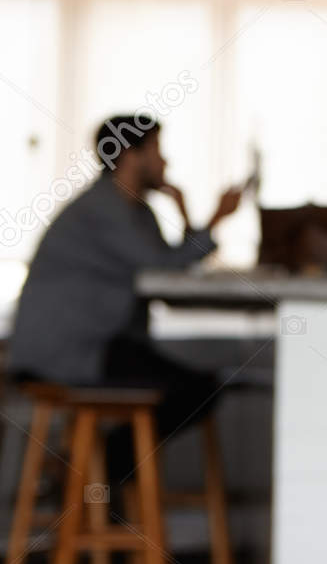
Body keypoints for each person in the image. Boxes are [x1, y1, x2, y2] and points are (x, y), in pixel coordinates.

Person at [8, 114, 244, 487]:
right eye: (156, 150)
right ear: (130, 156)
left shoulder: (138, 211)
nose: (165, 161)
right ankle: (88, 474)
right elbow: (165, 267)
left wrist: (185, 210)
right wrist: (216, 217)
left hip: (101, 343)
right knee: (197, 390)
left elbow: (172, 269)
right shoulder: (103, 209)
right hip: (66, 351)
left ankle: (90, 474)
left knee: (199, 387)